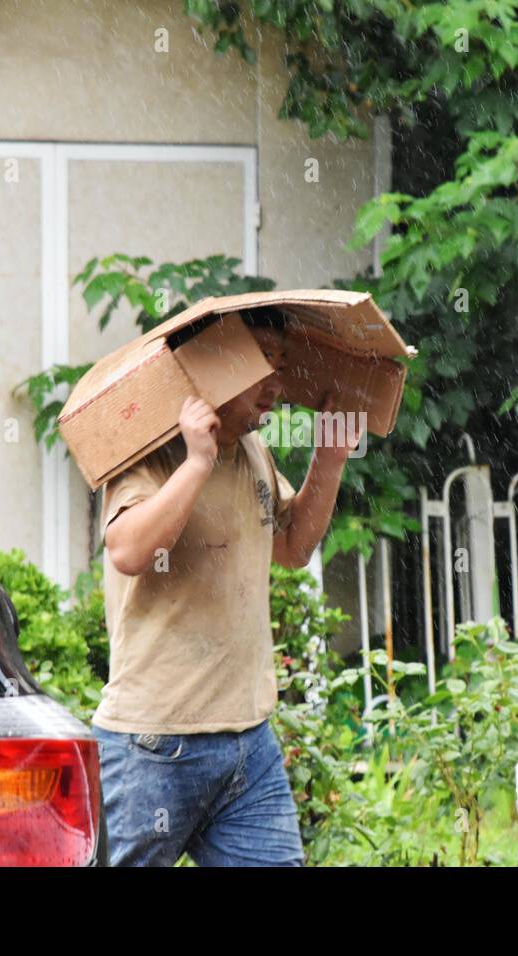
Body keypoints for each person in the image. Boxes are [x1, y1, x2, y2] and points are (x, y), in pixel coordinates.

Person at [91, 306, 359, 866]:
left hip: (249, 742)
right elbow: (129, 551)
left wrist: (329, 460)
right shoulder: (152, 451)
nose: (277, 385)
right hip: (155, 745)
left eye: (281, 364)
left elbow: (290, 548)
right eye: (263, 361)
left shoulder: (253, 451)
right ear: (215, 364)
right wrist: (195, 463)